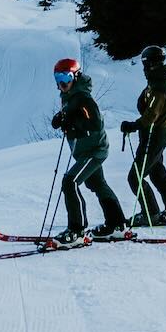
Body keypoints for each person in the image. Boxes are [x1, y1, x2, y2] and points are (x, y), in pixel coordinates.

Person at [49, 56, 127, 238]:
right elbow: (72, 116)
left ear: (75, 77)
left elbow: (95, 124)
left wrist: (73, 125)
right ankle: (117, 225)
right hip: (84, 150)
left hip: (94, 150)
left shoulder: (83, 98)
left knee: (70, 182)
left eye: (66, 78)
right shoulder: (69, 97)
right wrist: (60, 119)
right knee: (98, 184)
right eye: (58, 79)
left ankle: (76, 231)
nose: (62, 83)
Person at [120, 45, 166, 226]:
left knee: (135, 177)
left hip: (153, 136)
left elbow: (152, 115)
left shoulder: (159, 85)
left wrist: (133, 125)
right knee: (157, 174)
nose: (143, 68)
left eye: (145, 63)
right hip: (157, 136)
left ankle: (151, 215)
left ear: (151, 63)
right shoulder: (157, 81)